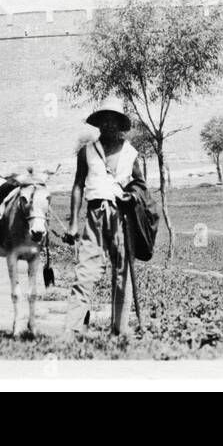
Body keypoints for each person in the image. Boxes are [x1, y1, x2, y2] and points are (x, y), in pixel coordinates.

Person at [62, 105, 146, 334]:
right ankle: (72, 331)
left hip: (123, 217)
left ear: (120, 124)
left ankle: (119, 329)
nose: (109, 125)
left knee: (122, 273)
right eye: (105, 120)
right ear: (98, 123)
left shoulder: (131, 153)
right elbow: (78, 185)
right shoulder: (86, 151)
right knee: (85, 272)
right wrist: (73, 223)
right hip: (95, 215)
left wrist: (133, 195)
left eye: (114, 120)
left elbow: (141, 186)